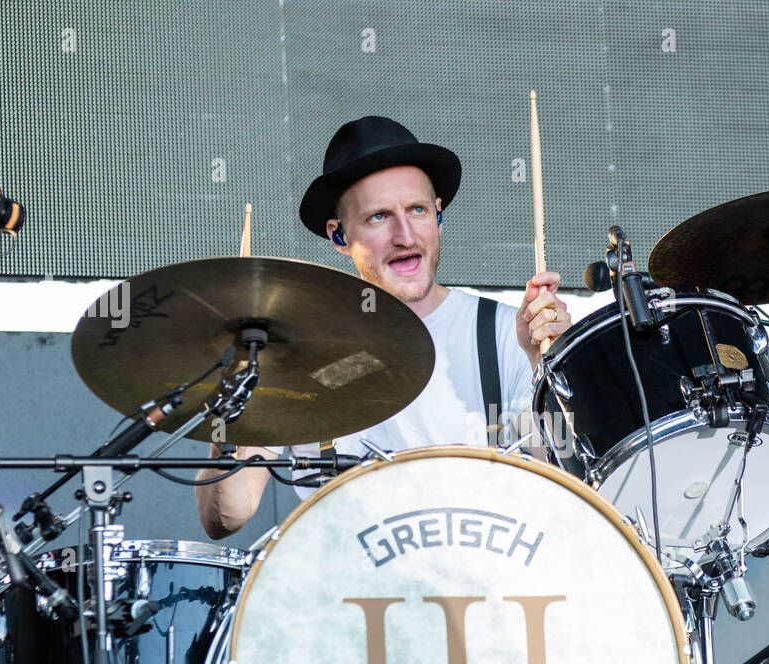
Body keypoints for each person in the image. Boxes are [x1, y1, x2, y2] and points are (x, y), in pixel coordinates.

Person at [196, 116, 573, 539]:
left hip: (482, 595)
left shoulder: (509, 335)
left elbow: (564, 489)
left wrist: (553, 367)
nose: (405, 235)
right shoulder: (293, 350)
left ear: (438, 215)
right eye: (379, 217)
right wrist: (232, 406)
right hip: (346, 596)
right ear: (339, 236)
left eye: (418, 210)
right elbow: (226, 517)